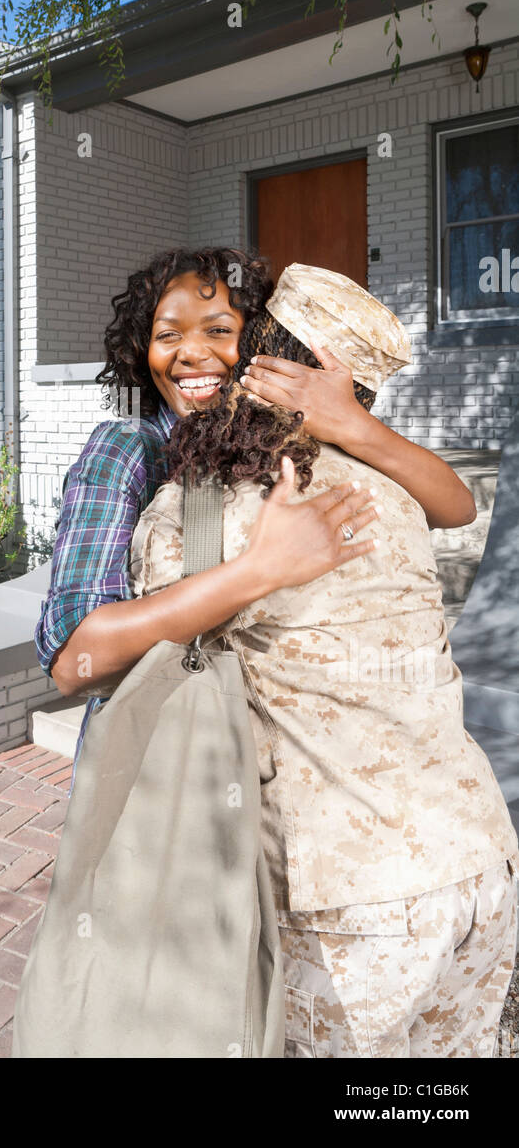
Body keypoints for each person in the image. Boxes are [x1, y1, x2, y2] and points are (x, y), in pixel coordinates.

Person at [130, 262, 519, 1058]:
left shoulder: (197, 517)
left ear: (259, 363)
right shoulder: (399, 493)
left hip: (353, 902)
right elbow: (458, 502)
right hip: (481, 859)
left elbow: (122, 667)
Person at [35, 246, 477, 790]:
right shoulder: (127, 448)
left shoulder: (276, 448)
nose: (190, 354)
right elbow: (75, 661)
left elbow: (457, 507)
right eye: (167, 335)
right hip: (164, 783)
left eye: (219, 331)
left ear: (260, 347)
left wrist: (352, 423)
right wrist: (260, 571)